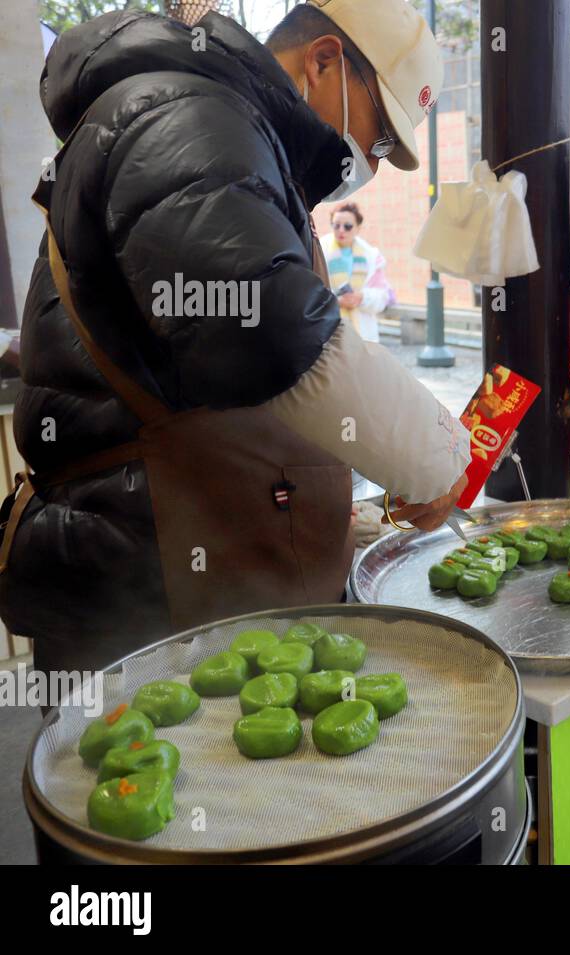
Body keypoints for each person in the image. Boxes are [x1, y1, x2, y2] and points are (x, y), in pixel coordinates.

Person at [0, 0, 471, 676]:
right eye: (383, 136)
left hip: (185, 564)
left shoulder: (236, 137)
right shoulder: (184, 115)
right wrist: (435, 456)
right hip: (146, 586)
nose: (373, 158)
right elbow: (274, 330)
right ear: (325, 60)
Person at [321, 202, 395, 343]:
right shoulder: (319, 251)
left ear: (358, 228)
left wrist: (361, 297)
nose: (341, 230)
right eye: (336, 225)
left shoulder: (371, 256)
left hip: (364, 332)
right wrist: (335, 301)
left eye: (347, 226)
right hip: (329, 331)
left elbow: (382, 295)